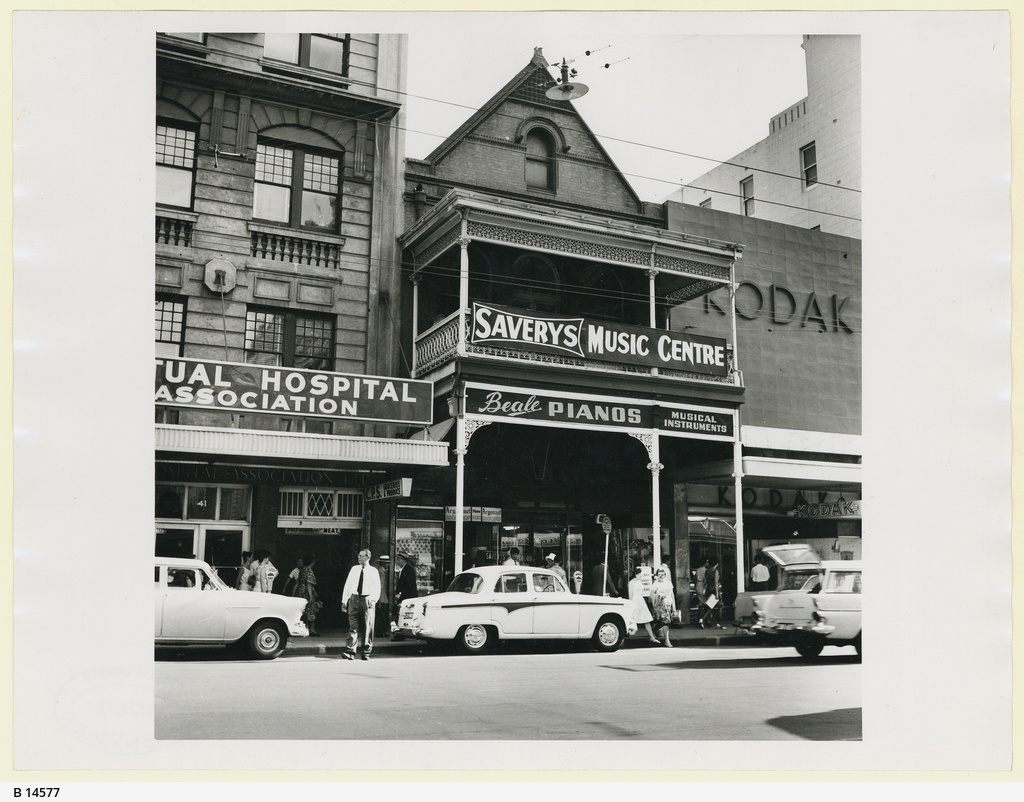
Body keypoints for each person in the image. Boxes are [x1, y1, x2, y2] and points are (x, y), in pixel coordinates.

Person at [341, 549, 380, 660]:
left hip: (367, 599)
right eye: (358, 555)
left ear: (368, 557)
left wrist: (373, 601)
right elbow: (348, 585)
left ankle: (366, 651)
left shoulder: (373, 571)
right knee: (353, 626)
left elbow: (377, 588)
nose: (359, 558)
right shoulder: (354, 569)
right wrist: (344, 600)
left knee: (367, 626)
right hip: (354, 598)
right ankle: (350, 651)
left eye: (361, 556)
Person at [628, 566, 659, 644]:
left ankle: (652, 637)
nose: (641, 575)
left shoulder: (639, 582)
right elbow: (630, 595)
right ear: (636, 574)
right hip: (635, 601)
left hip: (641, 601)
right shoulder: (631, 583)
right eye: (640, 574)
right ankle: (630, 636)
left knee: (646, 619)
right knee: (633, 619)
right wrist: (631, 605)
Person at [649, 566, 677, 647]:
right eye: (659, 574)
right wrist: (659, 595)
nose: (661, 576)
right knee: (666, 623)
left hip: (668, 604)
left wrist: (674, 607)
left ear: (665, 575)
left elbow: (672, 595)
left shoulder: (668, 583)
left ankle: (653, 630)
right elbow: (651, 595)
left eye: (663, 574)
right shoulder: (655, 584)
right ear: (657, 575)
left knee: (663, 622)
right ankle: (667, 641)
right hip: (660, 605)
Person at [294, 553, 320, 636]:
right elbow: (309, 583)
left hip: (300, 591)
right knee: (311, 610)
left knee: (302, 611)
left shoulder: (302, 569)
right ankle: (312, 630)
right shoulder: (309, 570)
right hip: (306, 592)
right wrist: (311, 595)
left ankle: (303, 629)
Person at [394, 551, 419, 621]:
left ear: (403, 560)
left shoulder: (409, 569)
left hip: (408, 596)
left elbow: (409, 584)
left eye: (399, 560)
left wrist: (400, 593)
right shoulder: (404, 569)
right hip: (405, 596)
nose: (397, 561)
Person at [375, 555, 391, 637]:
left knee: (380, 615)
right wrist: (380, 599)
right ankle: (380, 632)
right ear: (384, 563)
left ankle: (381, 632)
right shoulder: (381, 571)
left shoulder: (380, 570)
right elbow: (380, 585)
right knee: (381, 615)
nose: (388, 565)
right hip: (382, 597)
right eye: (387, 563)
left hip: (382, 597)